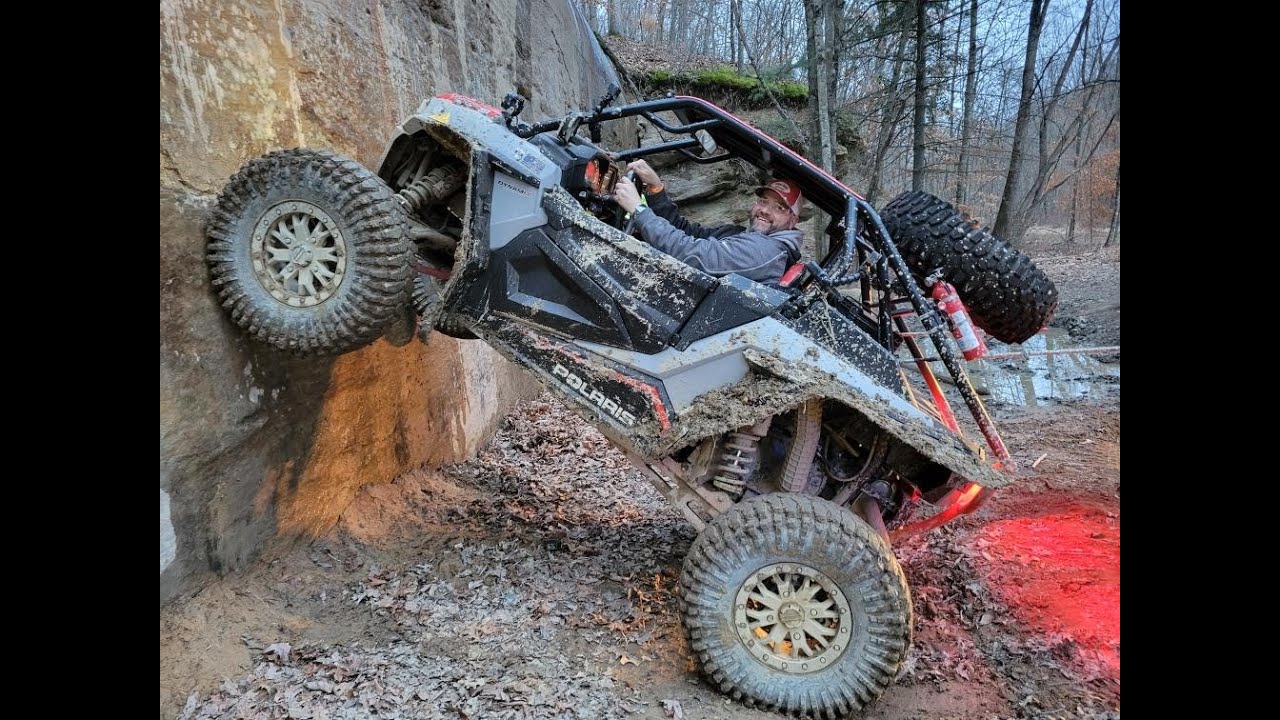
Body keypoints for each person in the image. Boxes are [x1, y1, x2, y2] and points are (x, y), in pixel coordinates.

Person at [612, 160, 804, 285]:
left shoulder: (765, 251)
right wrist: (656, 189)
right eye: (763, 201)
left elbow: (692, 254)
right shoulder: (740, 235)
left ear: (793, 220)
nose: (765, 210)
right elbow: (686, 232)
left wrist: (639, 210)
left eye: (779, 208)